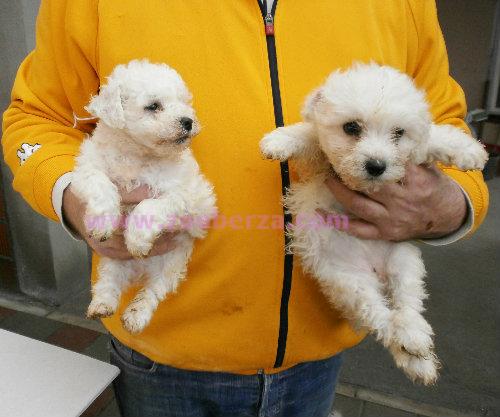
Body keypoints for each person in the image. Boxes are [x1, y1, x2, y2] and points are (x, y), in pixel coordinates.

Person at [1, 1, 489, 416]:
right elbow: (35, 118)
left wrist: (453, 202)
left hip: (319, 352)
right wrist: (72, 192)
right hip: (162, 349)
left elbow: (442, 119)